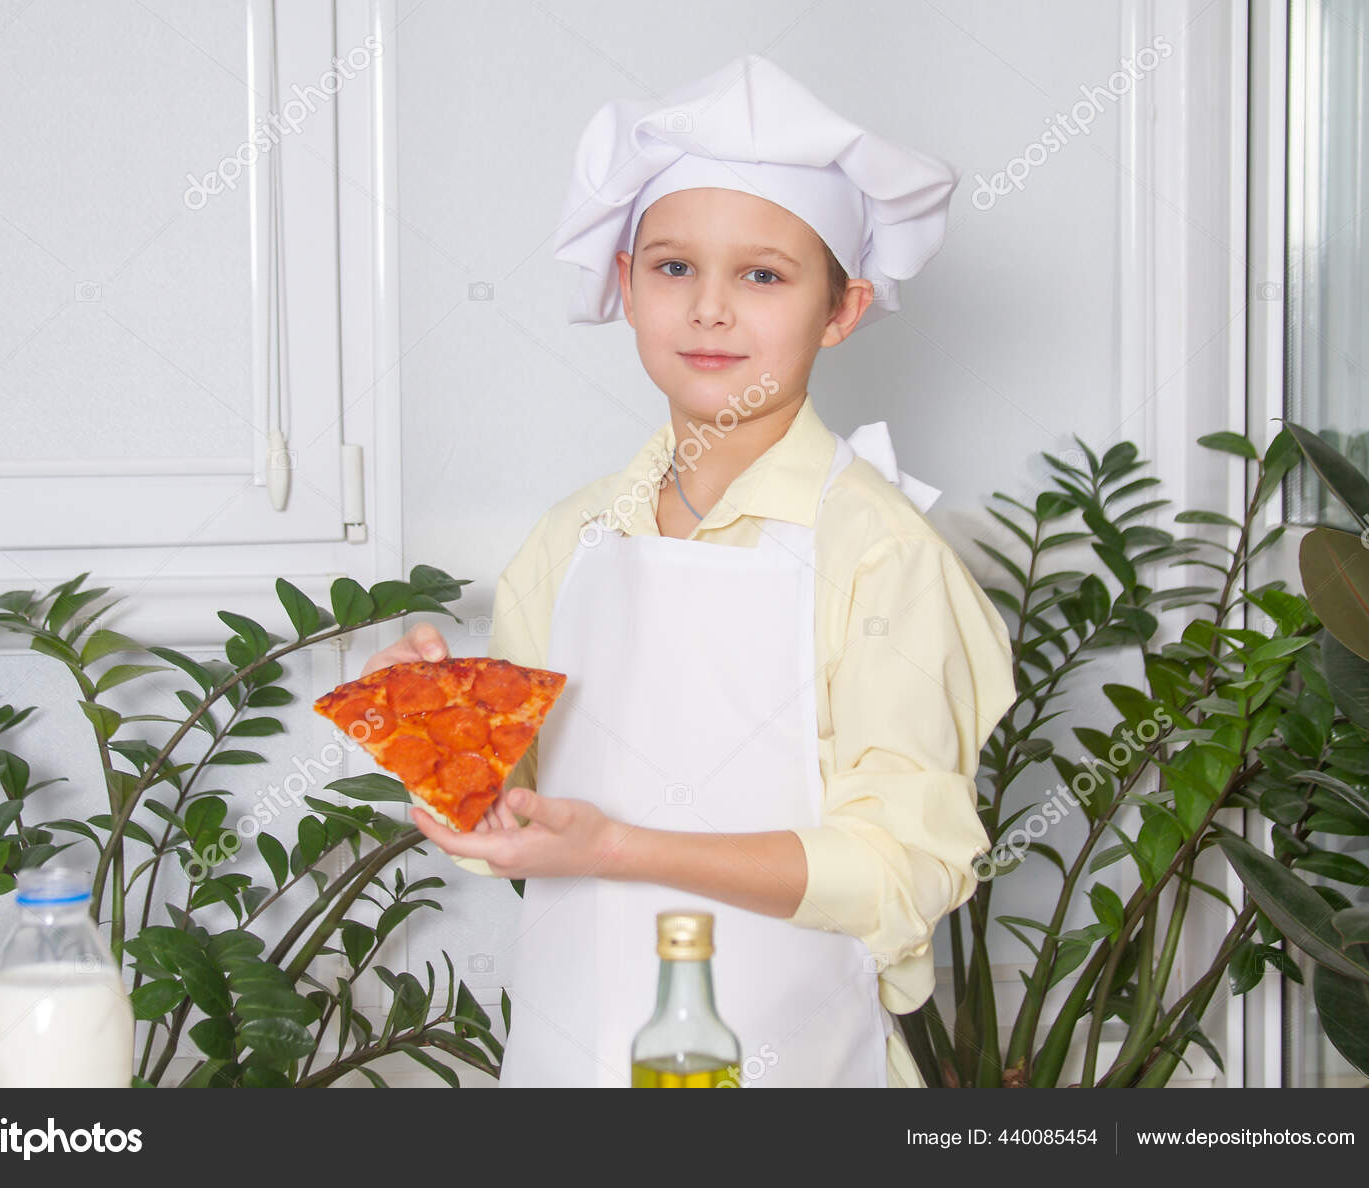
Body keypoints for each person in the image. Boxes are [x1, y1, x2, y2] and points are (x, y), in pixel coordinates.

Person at [362, 54, 1017, 1087]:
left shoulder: (882, 555)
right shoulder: (572, 538)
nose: (710, 308)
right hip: (569, 1063)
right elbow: (512, 817)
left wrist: (618, 848)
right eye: (673, 268)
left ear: (841, 309)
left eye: (762, 275)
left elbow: (903, 870)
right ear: (625, 285)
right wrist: (432, 735)